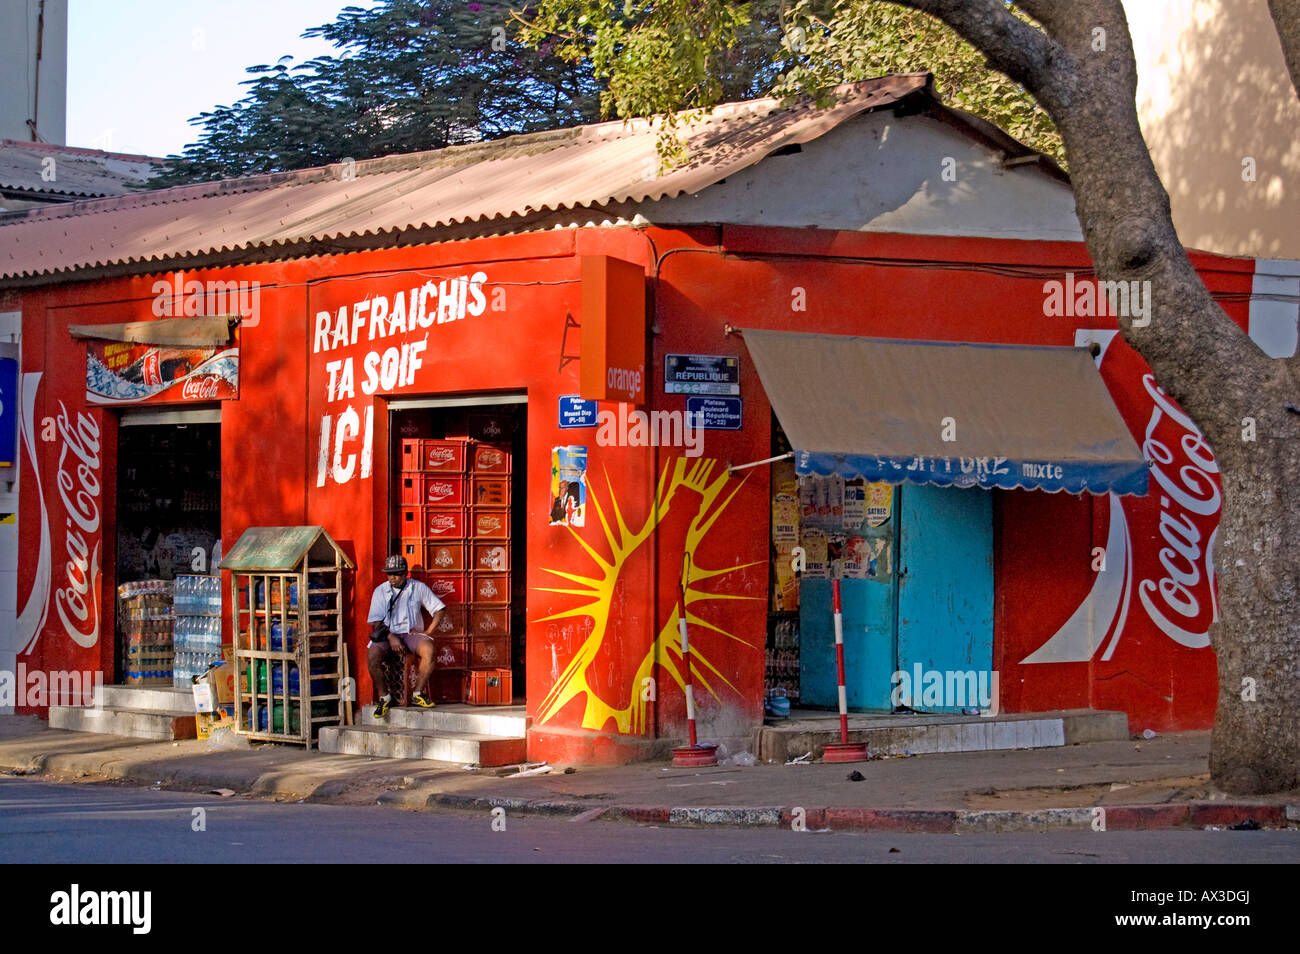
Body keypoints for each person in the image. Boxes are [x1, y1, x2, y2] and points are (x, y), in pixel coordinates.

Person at [366, 554, 446, 717]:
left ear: (405, 574)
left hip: (411, 632)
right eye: (389, 574)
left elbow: (439, 609)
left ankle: (418, 693)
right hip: (387, 634)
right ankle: (384, 697)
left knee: (428, 650)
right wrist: (391, 637)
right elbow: (375, 622)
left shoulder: (417, 587)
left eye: (396, 574)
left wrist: (429, 631)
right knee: (372, 654)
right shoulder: (381, 591)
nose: (392, 578)